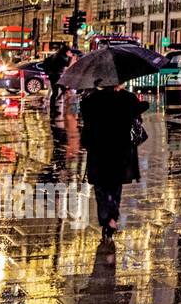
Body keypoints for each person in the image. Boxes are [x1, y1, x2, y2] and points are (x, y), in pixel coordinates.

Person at [79, 82, 148, 239]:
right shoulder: (126, 98)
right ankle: (112, 218)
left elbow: (86, 121)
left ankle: (105, 218)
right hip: (119, 149)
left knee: (101, 186)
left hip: (98, 149)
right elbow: (142, 107)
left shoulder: (91, 99)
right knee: (115, 186)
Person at [40, 43, 72, 112]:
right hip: (55, 76)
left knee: (59, 90)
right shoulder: (61, 57)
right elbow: (67, 64)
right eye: (68, 51)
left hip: (54, 75)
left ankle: (54, 106)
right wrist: (70, 57)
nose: (69, 52)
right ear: (65, 51)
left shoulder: (57, 55)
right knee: (56, 92)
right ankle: (53, 108)